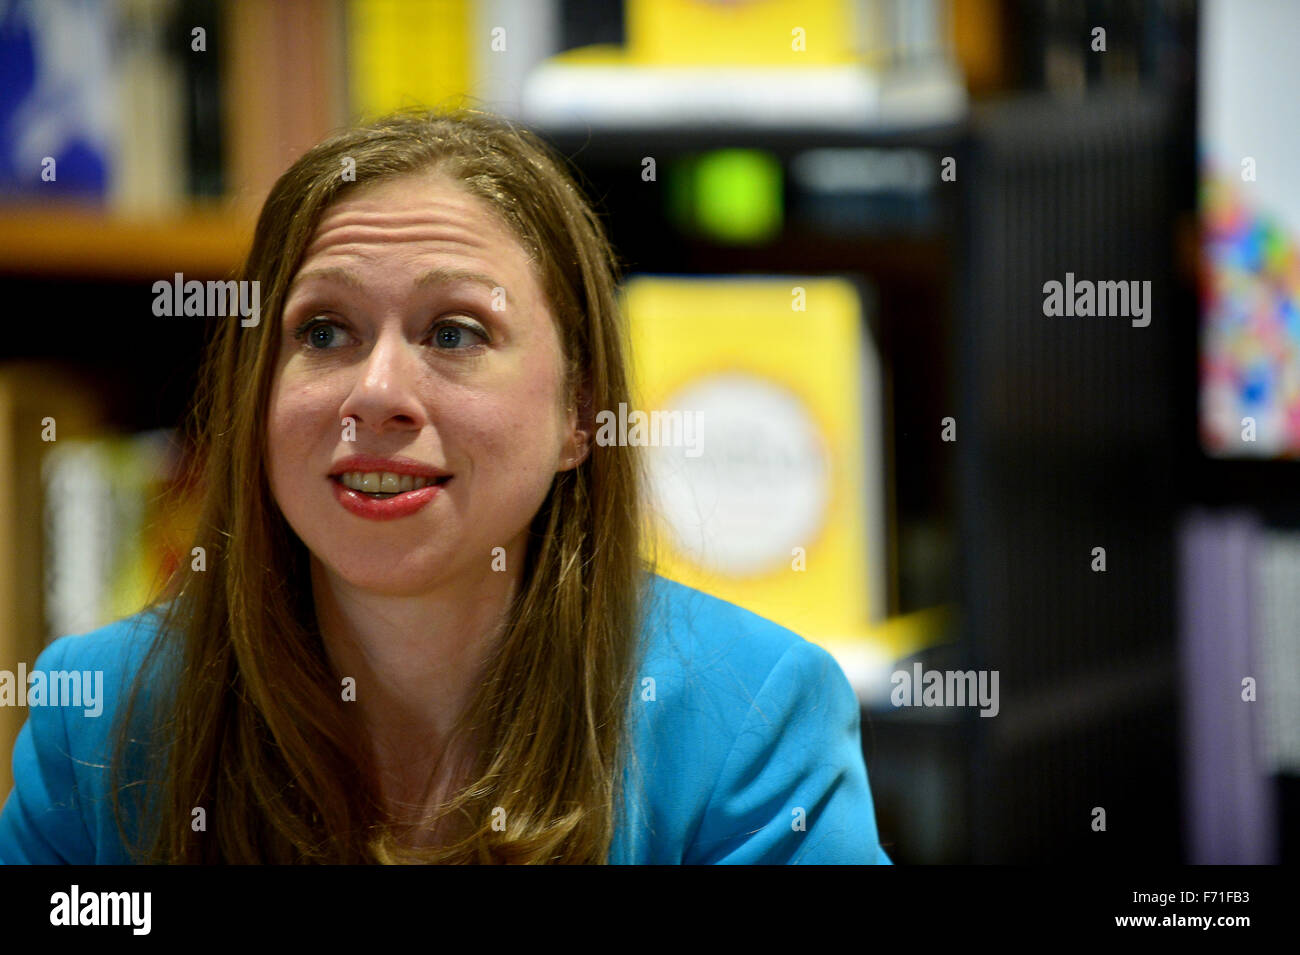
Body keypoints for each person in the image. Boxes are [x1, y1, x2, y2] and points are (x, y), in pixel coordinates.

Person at [0, 109, 892, 864]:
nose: (377, 391)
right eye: (322, 332)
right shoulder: (100, 716)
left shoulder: (752, 721)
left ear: (580, 410)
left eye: (456, 333)